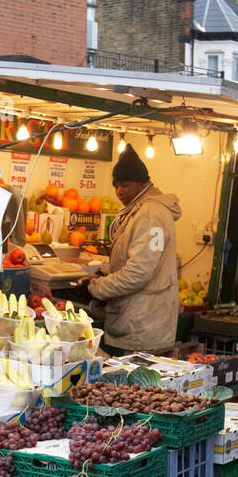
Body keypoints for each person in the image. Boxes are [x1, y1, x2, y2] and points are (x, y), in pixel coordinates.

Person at [80, 145, 181, 354]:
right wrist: (104, 274)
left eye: (125, 185)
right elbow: (136, 260)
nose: (119, 192)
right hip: (134, 318)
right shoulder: (137, 211)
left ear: (141, 183)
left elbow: (138, 272)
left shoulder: (150, 214)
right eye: (116, 185)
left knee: (137, 383)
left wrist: (96, 287)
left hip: (142, 323)